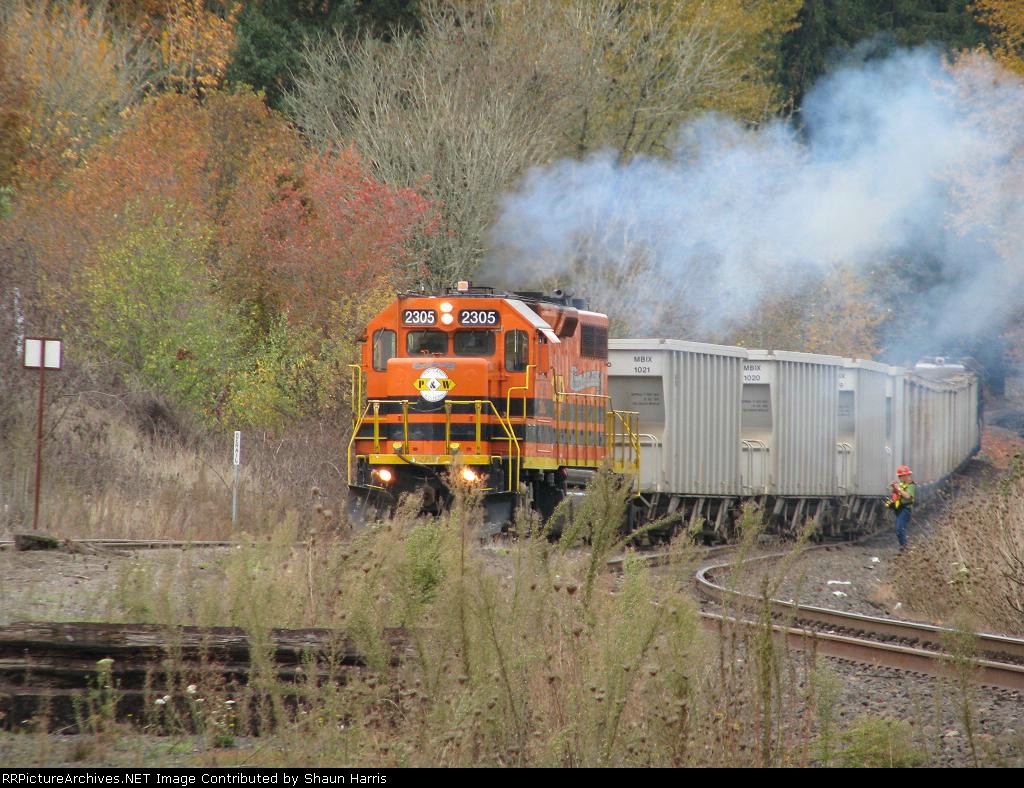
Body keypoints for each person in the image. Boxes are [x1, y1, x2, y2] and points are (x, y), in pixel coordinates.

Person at [885, 465, 917, 549]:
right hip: (898, 509)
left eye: (901, 476)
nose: (900, 478)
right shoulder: (901, 484)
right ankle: (903, 546)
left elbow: (907, 496)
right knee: (899, 528)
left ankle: (904, 546)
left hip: (905, 509)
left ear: (906, 475)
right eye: (899, 476)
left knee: (900, 528)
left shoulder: (911, 485)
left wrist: (898, 489)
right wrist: (894, 488)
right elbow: (896, 494)